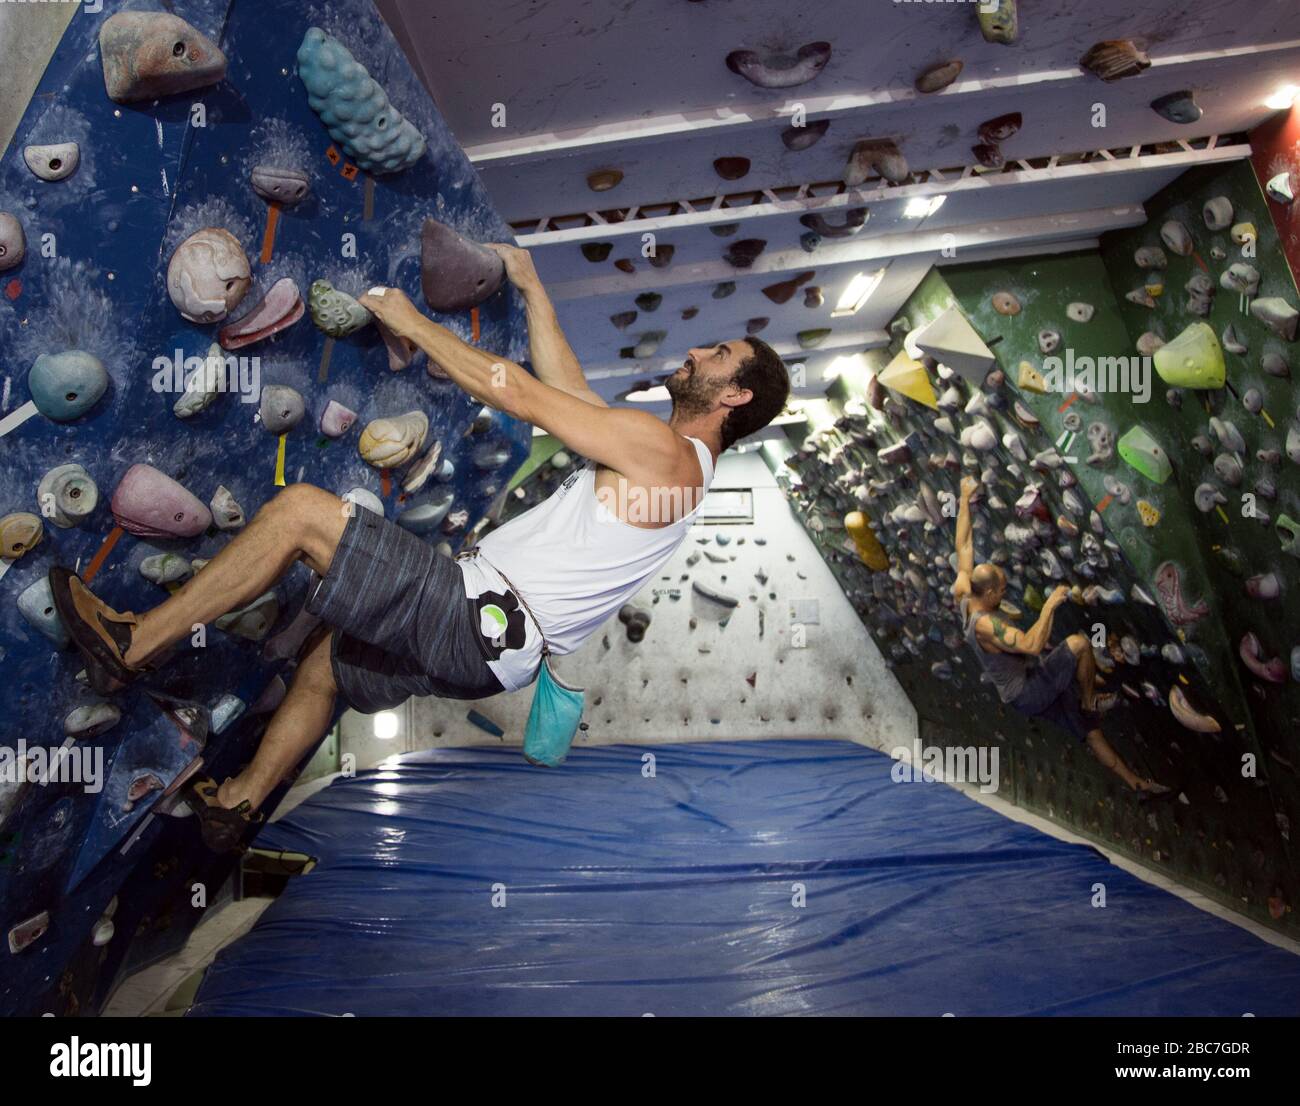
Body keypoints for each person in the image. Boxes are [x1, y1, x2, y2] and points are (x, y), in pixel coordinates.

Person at [50, 244, 791, 847]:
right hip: (495, 656)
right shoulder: (673, 465)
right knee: (328, 666)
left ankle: (132, 644)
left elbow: (523, 396)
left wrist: (411, 322)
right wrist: (533, 289)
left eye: (719, 353)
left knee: (303, 513)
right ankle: (238, 803)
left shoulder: (665, 454)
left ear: (735, 397)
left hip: (477, 618)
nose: (696, 351)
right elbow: (565, 390)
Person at [949, 476, 1168, 797]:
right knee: (1079, 644)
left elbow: (963, 544)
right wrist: (1050, 605)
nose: (1006, 593)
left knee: (1089, 729)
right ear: (992, 592)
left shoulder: (964, 593)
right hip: (1028, 691)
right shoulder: (986, 626)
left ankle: (1138, 785)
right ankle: (1090, 697)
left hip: (1023, 690)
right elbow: (1031, 644)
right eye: (1004, 590)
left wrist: (964, 496)